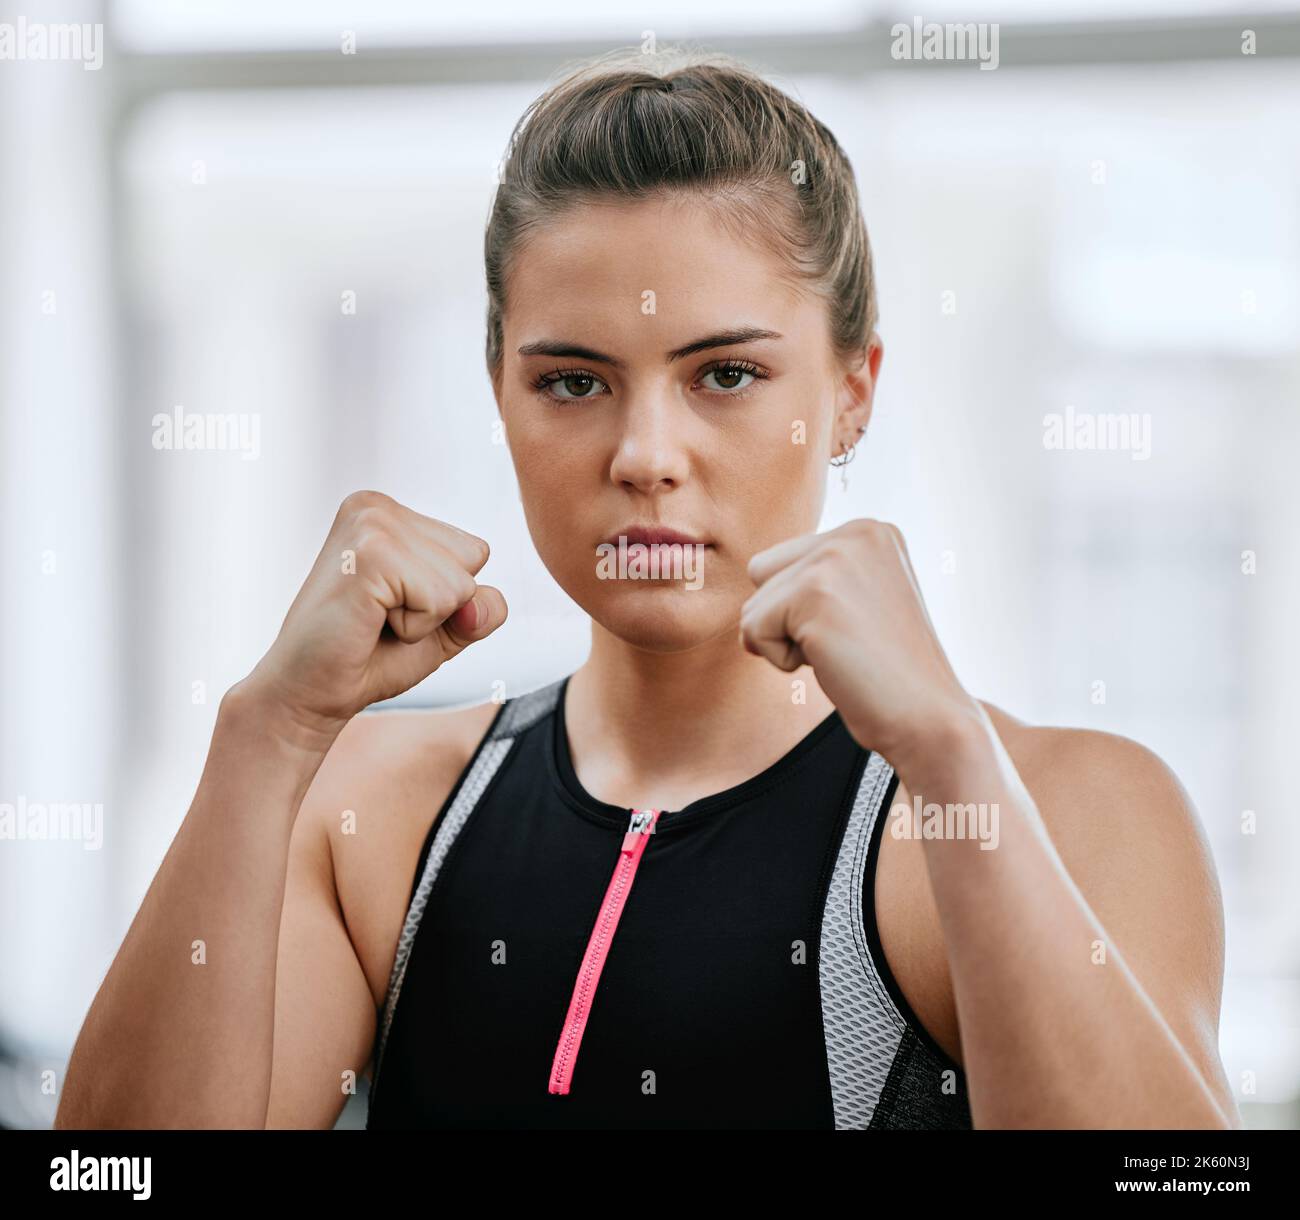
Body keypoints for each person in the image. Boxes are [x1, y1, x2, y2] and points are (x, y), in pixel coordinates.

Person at [55, 46, 1239, 1130]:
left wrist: (949, 752)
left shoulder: (1069, 808)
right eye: (574, 383)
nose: (644, 454)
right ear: (499, 391)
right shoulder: (377, 812)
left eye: (725, 372)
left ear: (852, 391)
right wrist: (265, 730)